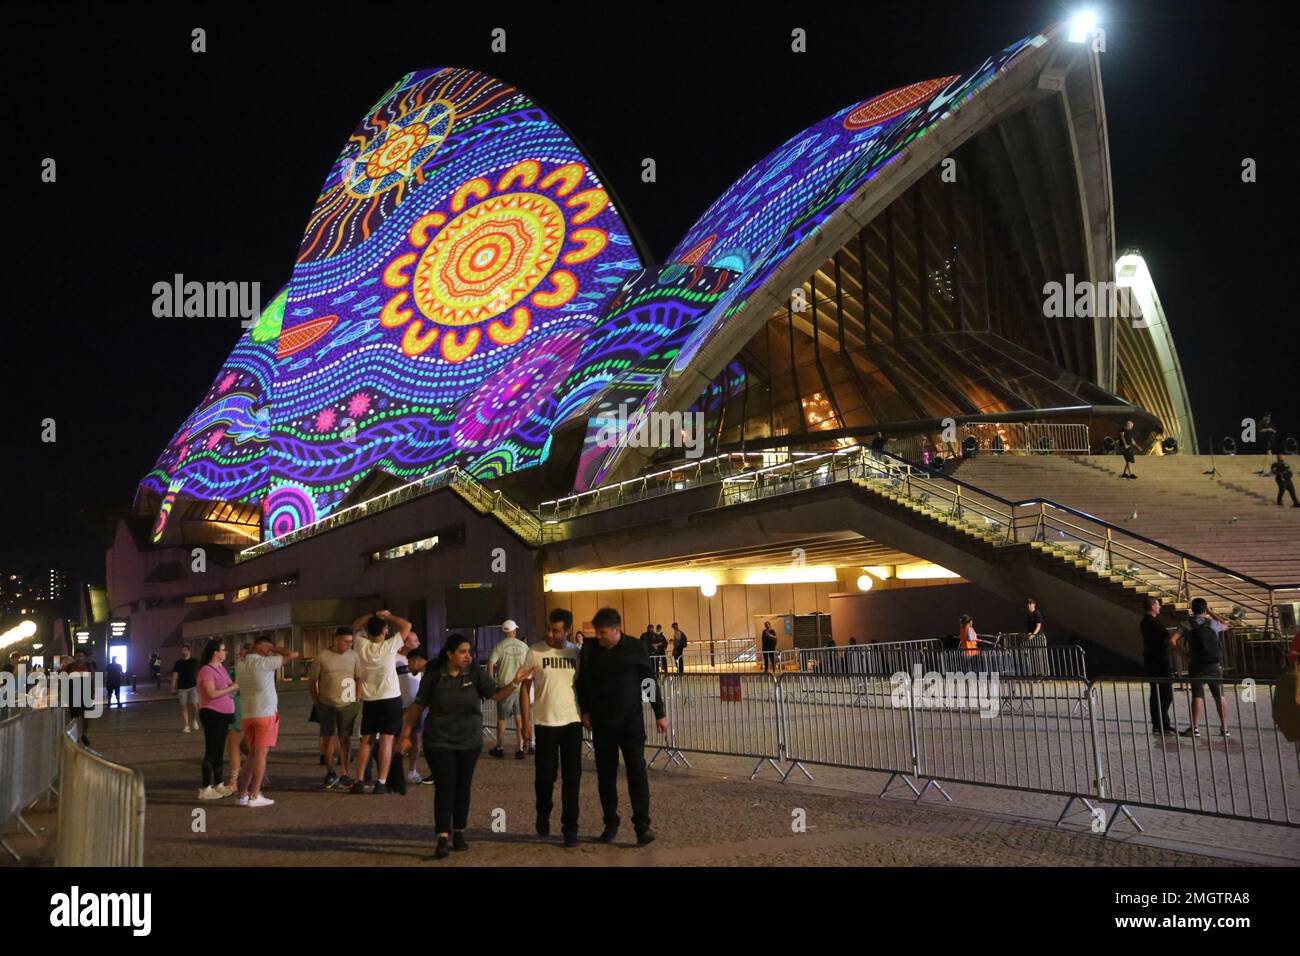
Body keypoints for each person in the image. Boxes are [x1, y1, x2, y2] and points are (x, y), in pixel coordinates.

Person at [398, 634, 533, 860]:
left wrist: (515, 682)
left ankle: (459, 832)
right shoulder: (434, 675)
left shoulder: (475, 673)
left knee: (463, 786)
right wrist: (405, 735)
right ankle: (442, 837)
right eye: (462, 652)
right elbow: (418, 706)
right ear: (449, 654)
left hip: (469, 741)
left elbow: (497, 695)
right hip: (439, 740)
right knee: (445, 786)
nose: (468, 656)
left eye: (469, 651)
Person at [577, 607, 668, 847]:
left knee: (636, 772)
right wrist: (585, 710)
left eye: (603, 632)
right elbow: (582, 682)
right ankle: (610, 823)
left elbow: (648, 680)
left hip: (630, 723)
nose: (599, 636)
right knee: (605, 777)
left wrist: (659, 712)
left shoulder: (636, 648)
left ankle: (642, 825)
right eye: (597, 632)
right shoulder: (590, 650)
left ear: (617, 630)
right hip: (602, 724)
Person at [521, 608, 584, 846]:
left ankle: (571, 828)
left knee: (572, 778)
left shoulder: (575, 653)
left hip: (572, 723)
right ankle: (543, 811)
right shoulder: (534, 652)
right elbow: (525, 689)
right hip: (545, 724)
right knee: (545, 777)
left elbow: (583, 687)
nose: (550, 633)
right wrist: (526, 722)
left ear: (567, 630)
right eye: (548, 628)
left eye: (556, 630)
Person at [350, 610, 411, 794]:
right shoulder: (390, 646)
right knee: (386, 741)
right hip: (390, 698)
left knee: (366, 741)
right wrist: (389, 616)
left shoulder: (361, 645)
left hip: (370, 700)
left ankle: (359, 780)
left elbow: (354, 625)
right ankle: (381, 782)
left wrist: (372, 615)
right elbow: (407, 626)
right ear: (385, 631)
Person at [235, 635, 300, 807]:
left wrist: (256, 649)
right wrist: (272, 648)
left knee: (251, 755)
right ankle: (255, 795)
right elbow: (293, 654)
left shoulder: (241, 664)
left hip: (247, 715)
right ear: (262, 647)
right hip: (265, 714)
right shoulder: (264, 663)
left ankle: (242, 794)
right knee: (261, 756)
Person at [307, 627, 361, 790]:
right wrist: (317, 701)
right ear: (336, 640)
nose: (349, 645)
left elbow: (359, 678)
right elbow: (312, 681)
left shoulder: (353, 656)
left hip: (348, 703)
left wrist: (356, 698)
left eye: (351, 642)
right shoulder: (322, 657)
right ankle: (330, 772)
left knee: (345, 738)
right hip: (327, 704)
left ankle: (345, 773)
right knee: (328, 737)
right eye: (346, 642)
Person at [1178, 598, 1230, 738]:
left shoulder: (1186, 624)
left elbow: (1172, 640)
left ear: (1192, 609)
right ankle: (1224, 728)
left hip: (1196, 664)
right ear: (1205, 609)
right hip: (1213, 664)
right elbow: (1226, 625)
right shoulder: (1212, 624)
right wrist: (1211, 613)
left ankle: (1195, 729)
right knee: (1219, 695)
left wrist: (1185, 653)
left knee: (1197, 695)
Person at [196, 639, 239, 800]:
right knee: (211, 751)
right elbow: (211, 693)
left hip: (224, 715)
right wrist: (232, 688)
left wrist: (231, 691)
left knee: (219, 751)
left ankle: (219, 783)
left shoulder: (221, 668)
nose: (225, 652)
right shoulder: (206, 671)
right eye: (223, 649)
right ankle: (206, 787)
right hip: (212, 714)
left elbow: (226, 688)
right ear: (215, 652)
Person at [486, 620, 530, 760]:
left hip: (505, 688)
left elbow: (491, 664)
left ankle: (499, 747)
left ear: (504, 631)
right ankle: (520, 748)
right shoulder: (524, 646)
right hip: (521, 687)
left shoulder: (499, 646)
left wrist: (490, 682)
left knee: (502, 719)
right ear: (515, 631)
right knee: (519, 719)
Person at [1140, 597, 1176, 735]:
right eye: (1158, 605)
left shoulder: (1146, 622)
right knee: (1164, 694)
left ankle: (1159, 723)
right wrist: (1173, 637)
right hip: (1159, 662)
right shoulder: (1152, 623)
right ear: (1153, 606)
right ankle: (1162, 723)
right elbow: (1162, 640)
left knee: (1157, 693)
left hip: (1153, 661)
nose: (1160, 607)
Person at [171, 645, 201, 732]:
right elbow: (175, 675)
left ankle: (194, 720)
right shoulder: (178, 663)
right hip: (182, 687)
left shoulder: (194, 661)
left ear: (189, 651)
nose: (183, 652)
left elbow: (200, 673)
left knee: (195, 706)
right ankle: (186, 725)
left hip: (193, 686)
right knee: (184, 706)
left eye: (184, 650)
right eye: (182, 650)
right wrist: (173, 687)